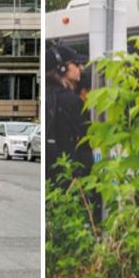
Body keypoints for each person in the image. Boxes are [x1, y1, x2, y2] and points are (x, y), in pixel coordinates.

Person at [44, 44, 91, 179]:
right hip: (69, 175)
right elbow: (88, 138)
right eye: (76, 64)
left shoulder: (48, 95)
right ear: (62, 68)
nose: (81, 68)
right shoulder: (70, 101)